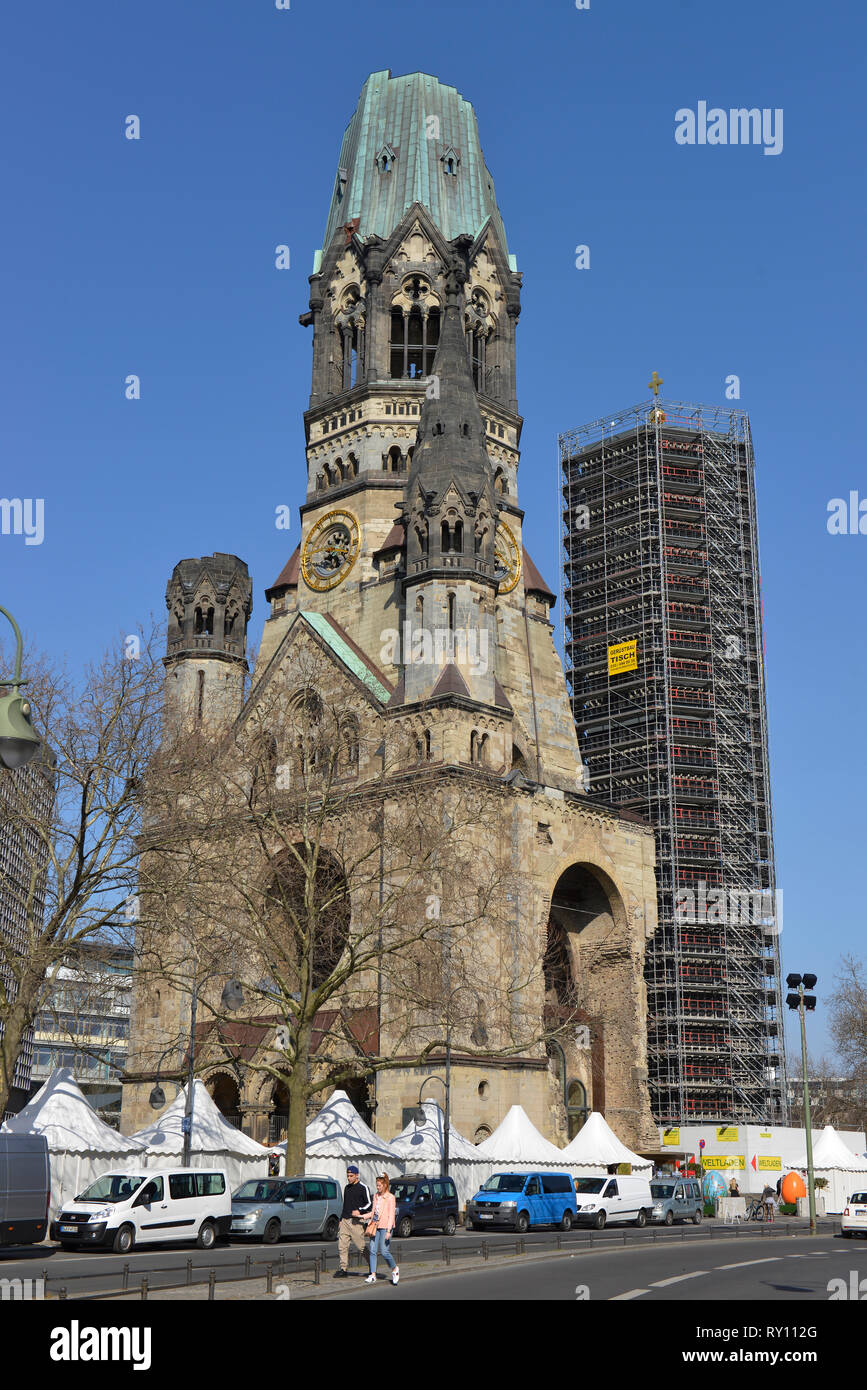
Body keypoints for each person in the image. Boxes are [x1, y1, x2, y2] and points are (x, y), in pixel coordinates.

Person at [333, 1164, 373, 1278]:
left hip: (356, 1222)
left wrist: (359, 1211)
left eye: (351, 1176)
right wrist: (341, 1219)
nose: (349, 1178)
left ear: (357, 1175)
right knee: (342, 1246)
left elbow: (369, 1204)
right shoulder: (346, 1188)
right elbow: (345, 1205)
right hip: (345, 1220)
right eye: (347, 1175)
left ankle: (372, 1265)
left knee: (361, 1246)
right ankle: (343, 1269)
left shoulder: (363, 1187)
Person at [364, 1173, 399, 1286]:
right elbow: (374, 1211)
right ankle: (373, 1274)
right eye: (377, 1185)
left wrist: (389, 1231)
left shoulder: (390, 1197)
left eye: (379, 1185)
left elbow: (391, 1215)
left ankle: (394, 1269)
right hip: (375, 1226)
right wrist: (365, 1216)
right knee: (373, 1250)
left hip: (385, 1227)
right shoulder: (375, 1196)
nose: (377, 1187)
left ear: (384, 1185)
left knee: (384, 1251)